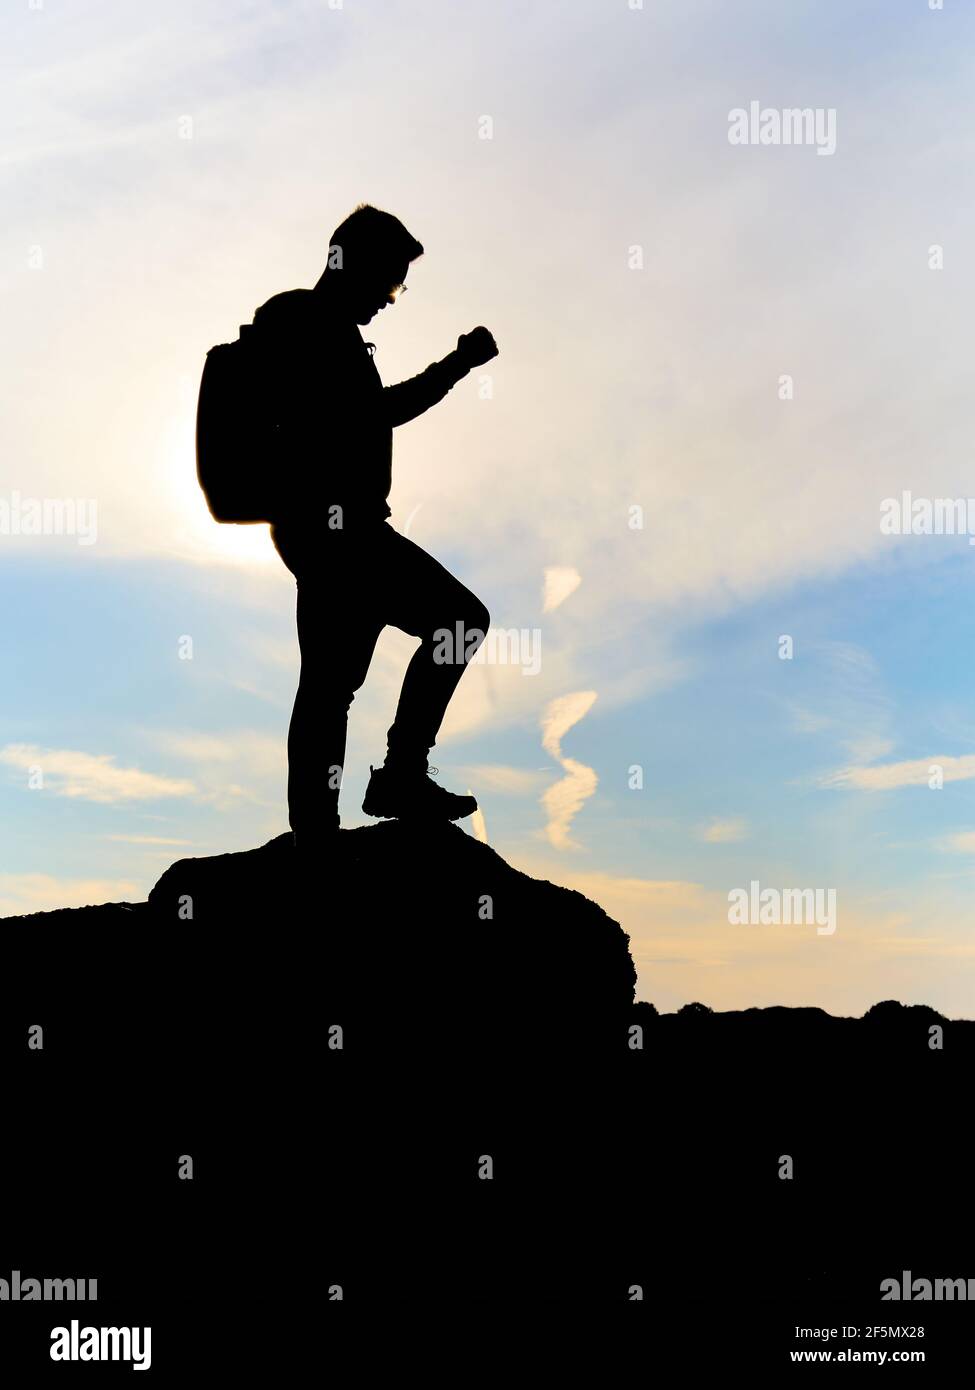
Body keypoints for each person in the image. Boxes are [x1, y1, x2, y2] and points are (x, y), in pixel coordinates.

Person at [251, 203, 498, 845]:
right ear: (352, 263)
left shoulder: (314, 325)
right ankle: (393, 781)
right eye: (391, 279)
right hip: (343, 535)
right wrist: (457, 365)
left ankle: (318, 832)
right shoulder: (310, 323)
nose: (393, 297)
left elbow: (366, 415)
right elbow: (376, 413)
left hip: (325, 533)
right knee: (459, 622)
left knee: (330, 688)